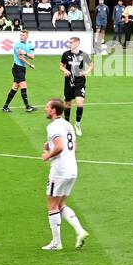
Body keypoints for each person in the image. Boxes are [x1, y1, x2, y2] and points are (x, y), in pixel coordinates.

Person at [40, 99, 88, 251]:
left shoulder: (52, 127)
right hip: (72, 169)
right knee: (61, 204)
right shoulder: (67, 125)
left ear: (54, 110)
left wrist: (48, 154)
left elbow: (60, 146)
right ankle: (80, 231)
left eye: (47, 107)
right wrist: (50, 145)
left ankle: (56, 242)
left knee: (52, 204)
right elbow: (72, 146)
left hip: (59, 171)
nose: (45, 109)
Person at [59, 36, 92, 136]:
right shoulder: (66, 54)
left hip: (80, 82)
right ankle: (67, 125)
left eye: (71, 42)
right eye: (69, 42)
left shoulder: (83, 55)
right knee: (68, 104)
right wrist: (65, 70)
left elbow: (91, 65)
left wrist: (85, 72)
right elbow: (61, 66)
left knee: (79, 104)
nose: (70, 44)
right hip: (69, 82)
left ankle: (77, 124)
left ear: (77, 43)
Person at [2, 28, 37, 113]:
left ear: (27, 36)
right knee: (23, 86)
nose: (21, 36)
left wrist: (25, 53)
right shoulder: (17, 44)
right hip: (17, 68)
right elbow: (20, 57)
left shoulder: (29, 45)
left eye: (23, 35)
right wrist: (30, 65)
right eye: (20, 35)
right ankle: (28, 107)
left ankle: (5, 106)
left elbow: (33, 56)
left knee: (15, 87)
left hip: (22, 68)